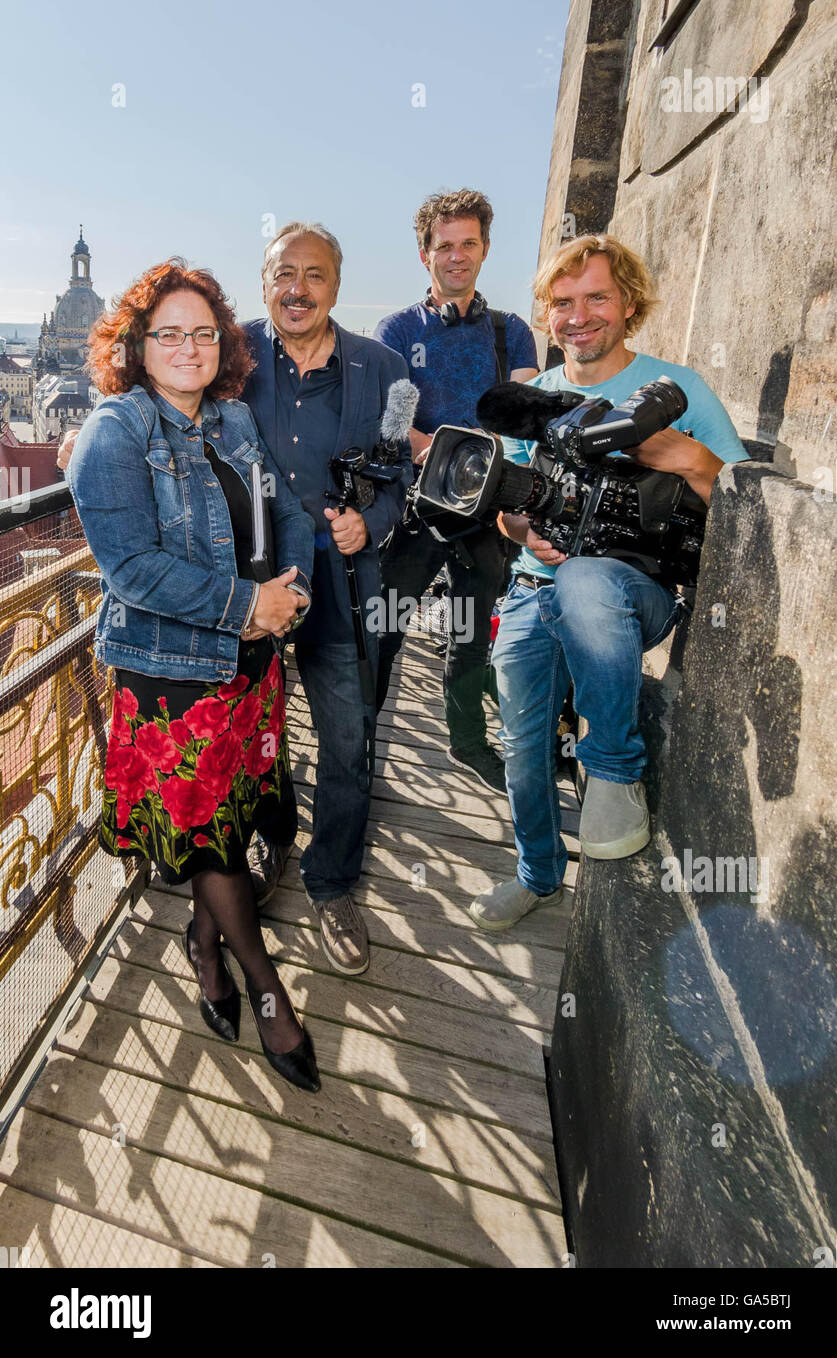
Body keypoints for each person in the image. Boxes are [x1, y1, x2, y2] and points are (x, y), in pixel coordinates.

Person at [65, 258, 321, 1092]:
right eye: (167, 333)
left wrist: (292, 593)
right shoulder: (114, 429)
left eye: (202, 333)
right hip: (173, 675)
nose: (187, 346)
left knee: (231, 809)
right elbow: (131, 569)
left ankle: (202, 941)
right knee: (208, 832)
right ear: (136, 346)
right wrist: (248, 602)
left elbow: (285, 512)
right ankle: (263, 983)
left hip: (249, 660)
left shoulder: (235, 420)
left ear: (223, 346)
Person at [468, 233, 749, 931]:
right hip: (536, 590)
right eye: (562, 302)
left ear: (628, 305)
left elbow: (748, 505)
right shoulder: (532, 396)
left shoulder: (675, 388)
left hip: (633, 591)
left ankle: (614, 776)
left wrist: (689, 458)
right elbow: (509, 511)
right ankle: (536, 874)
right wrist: (525, 531)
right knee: (524, 751)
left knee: (591, 579)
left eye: (596, 296)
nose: (577, 314)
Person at [241, 223, 412, 976]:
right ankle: (270, 843)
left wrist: (370, 523)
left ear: (336, 286)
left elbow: (402, 478)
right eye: (284, 272)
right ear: (265, 280)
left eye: (313, 274)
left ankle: (334, 881)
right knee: (251, 732)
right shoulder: (231, 354)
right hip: (252, 586)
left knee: (348, 741)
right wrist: (90, 434)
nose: (297, 288)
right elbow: (164, 411)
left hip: (344, 588)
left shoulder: (386, 368)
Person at [372, 190, 539, 793]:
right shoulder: (395, 330)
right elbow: (391, 424)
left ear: (486, 249)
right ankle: (361, 738)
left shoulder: (512, 333)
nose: (457, 256)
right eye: (445, 246)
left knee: (471, 634)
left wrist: (482, 478)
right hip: (419, 511)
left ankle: (468, 742)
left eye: (469, 244)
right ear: (425, 255)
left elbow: (524, 420)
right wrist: (447, 464)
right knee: (384, 628)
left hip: (486, 516)